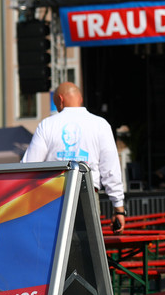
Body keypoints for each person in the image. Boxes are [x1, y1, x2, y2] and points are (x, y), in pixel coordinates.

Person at [22, 82, 126, 233]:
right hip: (88, 194)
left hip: (54, 196)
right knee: (87, 251)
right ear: (80, 99)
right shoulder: (100, 125)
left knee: (55, 251)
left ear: (60, 99)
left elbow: (28, 167)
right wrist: (119, 209)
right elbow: (111, 170)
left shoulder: (47, 125)